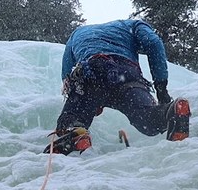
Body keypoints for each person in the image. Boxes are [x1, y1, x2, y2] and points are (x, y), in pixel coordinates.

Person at [48, 18, 190, 154]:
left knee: (71, 119)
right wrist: (161, 89)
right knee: (148, 120)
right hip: (128, 75)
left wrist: (86, 101)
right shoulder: (134, 25)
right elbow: (153, 43)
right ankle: (170, 112)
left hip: (92, 71)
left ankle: (75, 133)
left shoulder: (77, 33)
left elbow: (67, 75)